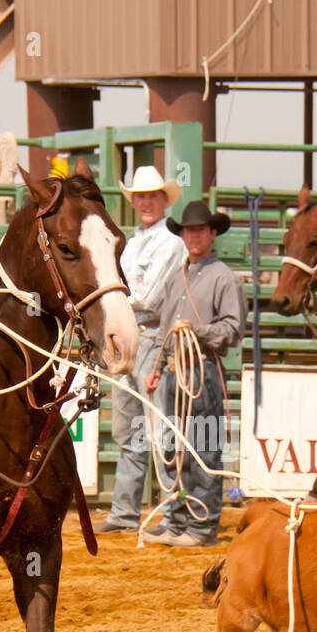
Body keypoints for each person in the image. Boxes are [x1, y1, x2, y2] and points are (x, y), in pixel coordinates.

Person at [142, 201, 245, 548]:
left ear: (213, 233)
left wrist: (197, 332)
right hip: (173, 374)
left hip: (203, 372)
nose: (195, 236)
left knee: (203, 449)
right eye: (190, 230)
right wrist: (155, 369)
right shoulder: (177, 278)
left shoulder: (225, 278)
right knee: (173, 450)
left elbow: (232, 329)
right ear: (183, 235)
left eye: (201, 229)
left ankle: (202, 527)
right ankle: (177, 521)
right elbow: (163, 331)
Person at [95, 166, 187, 535]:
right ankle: (125, 511)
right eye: (140, 196)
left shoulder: (171, 242)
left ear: (164, 200)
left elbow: (148, 296)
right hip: (129, 337)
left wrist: (112, 306)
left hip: (151, 338)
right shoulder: (132, 243)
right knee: (129, 428)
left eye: (152, 195)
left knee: (159, 428)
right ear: (133, 201)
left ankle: (173, 515)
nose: (146, 201)